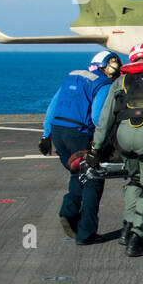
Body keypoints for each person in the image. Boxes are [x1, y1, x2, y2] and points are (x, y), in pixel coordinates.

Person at [87, 43, 143, 257]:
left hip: (123, 137)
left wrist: (95, 149)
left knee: (134, 180)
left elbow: (105, 119)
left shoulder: (119, 81)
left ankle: (126, 228)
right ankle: (137, 237)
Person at [39, 49, 120, 244]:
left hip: (58, 133)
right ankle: (86, 232)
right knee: (93, 180)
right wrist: (107, 140)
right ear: (107, 65)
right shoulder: (103, 83)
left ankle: (68, 212)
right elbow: (97, 116)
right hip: (79, 135)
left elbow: (53, 106)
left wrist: (45, 135)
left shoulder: (73, 77)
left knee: (77, 174)